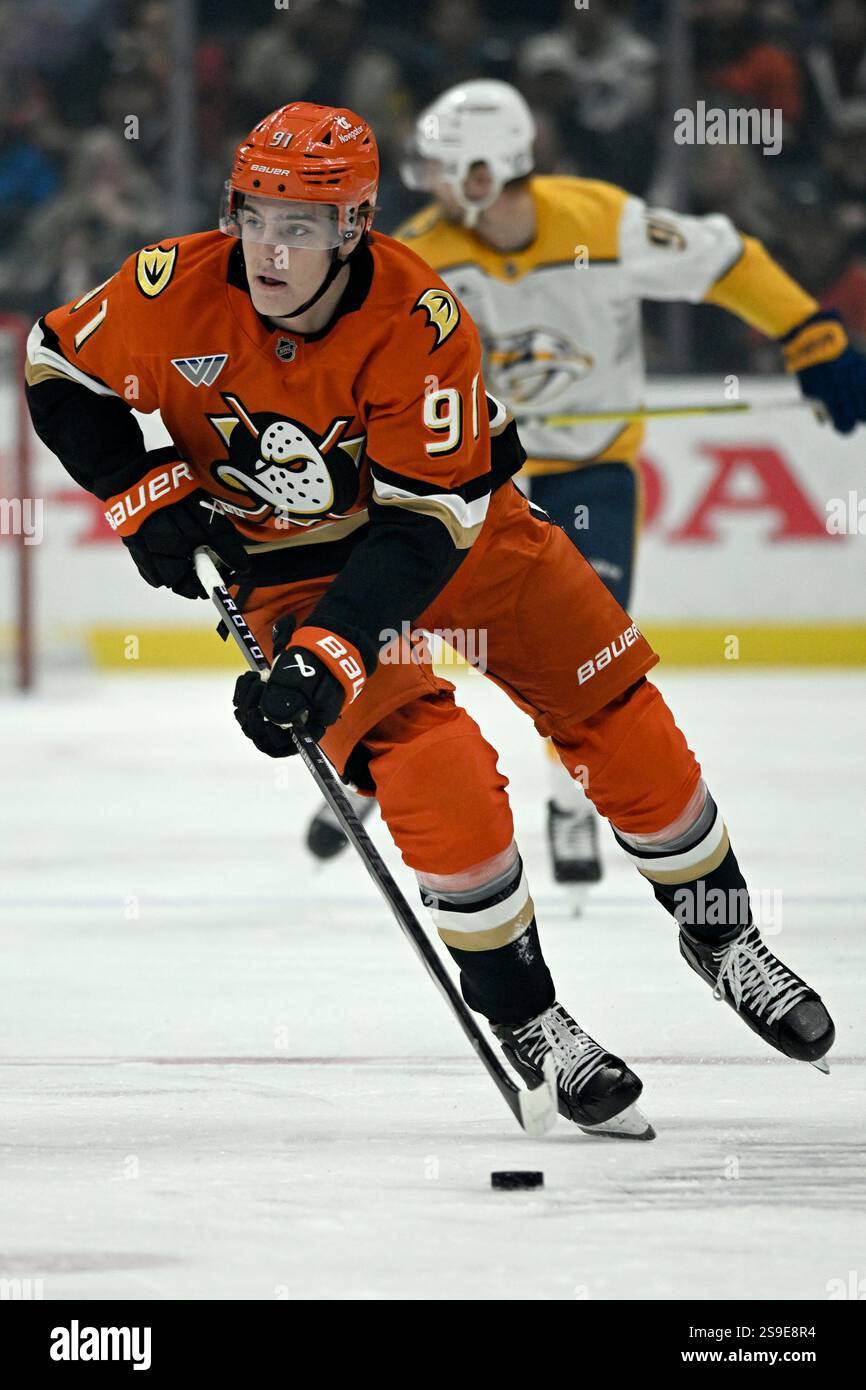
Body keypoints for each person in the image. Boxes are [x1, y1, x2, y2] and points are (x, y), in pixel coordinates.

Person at [26, 102, 836, 1139]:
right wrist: (141, 494)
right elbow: (57, 369)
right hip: (285, 569)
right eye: (255, 216)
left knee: (616, 716)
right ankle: (529, 1016)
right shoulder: (170, 288)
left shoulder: (419, 316)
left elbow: (422, 535)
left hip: (456, 531)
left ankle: (721, 937)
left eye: (302, 226)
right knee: (433, 771)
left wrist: (322, 662)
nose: (270, 250)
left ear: (355, 225)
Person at [306, 79, 866, 885]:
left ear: (486, 170)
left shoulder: (601, 221)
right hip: (482, 475)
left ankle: (573, 802)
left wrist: (807, 333)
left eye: (442, 167)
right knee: (408, 609)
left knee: (586, 648)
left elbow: (724, 260)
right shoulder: (424, 253)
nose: (427, 183)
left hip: (593, 466)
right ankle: (376, 769)